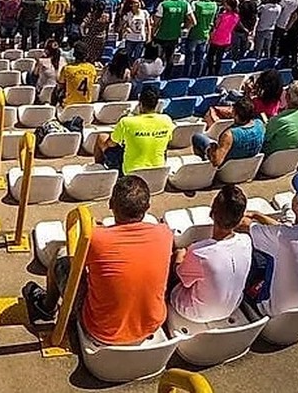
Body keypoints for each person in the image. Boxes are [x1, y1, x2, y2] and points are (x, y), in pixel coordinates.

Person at [22, 175, 173, 345]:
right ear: (147, 208)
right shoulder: (164, 233)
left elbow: (79, 266)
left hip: (101, 329)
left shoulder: (95, 237)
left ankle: (45, 307)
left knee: (62, 258)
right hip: (150, 325)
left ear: (110, 204)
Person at [241, 172, 298, 315]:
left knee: (251, 253)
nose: (295, 193)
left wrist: (250, 216)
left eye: (297, 193)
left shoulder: (282, 238)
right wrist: (258, 216)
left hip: (273, 307)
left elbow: (243, 225)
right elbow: (283, 231)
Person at [170, 185, 253, 323]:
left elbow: (182, 278)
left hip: (195, 313)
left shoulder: (199, 252)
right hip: (231, 308)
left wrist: (180, 255)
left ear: (212, 214)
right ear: (240, 220)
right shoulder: (247, 241)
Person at [94, 86, 173, 174]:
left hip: (130, 170)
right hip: (158, 169)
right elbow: (166, 145)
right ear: (157, 103)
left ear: (140, 102)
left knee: (102, 137)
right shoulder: (167, 120)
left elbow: (111, 143)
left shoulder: (126, 121)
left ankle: (99, 169)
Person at [193, 96, 265, 166]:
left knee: (197, 137)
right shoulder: (260, 124)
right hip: (248, 164)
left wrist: (213, 148)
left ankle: (203, 166)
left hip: (227, 168)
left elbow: (217, 162)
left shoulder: (229, 135)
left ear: (235, 114)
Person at [153, 0, 194, 77]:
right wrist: (184, 27)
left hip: (161, 36)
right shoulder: (185, 4)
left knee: (159, 58)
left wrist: (152, 34)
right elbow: (193, 21)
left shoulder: (164, 4)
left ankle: (158, 76)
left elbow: (156, 22)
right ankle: (167, 77)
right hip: (174, 35)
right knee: (169, 57)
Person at [263, 81, 298, 155]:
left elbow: (265, 137)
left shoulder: (279, 120)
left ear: (287, 97)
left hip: (273, 156)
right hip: (295, 156)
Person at [52, 41, 97, 106]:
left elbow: (60, 87)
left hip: (69, 106)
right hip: (86, 106)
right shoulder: (92, 68)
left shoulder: (67, 69)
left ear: (74, 54)